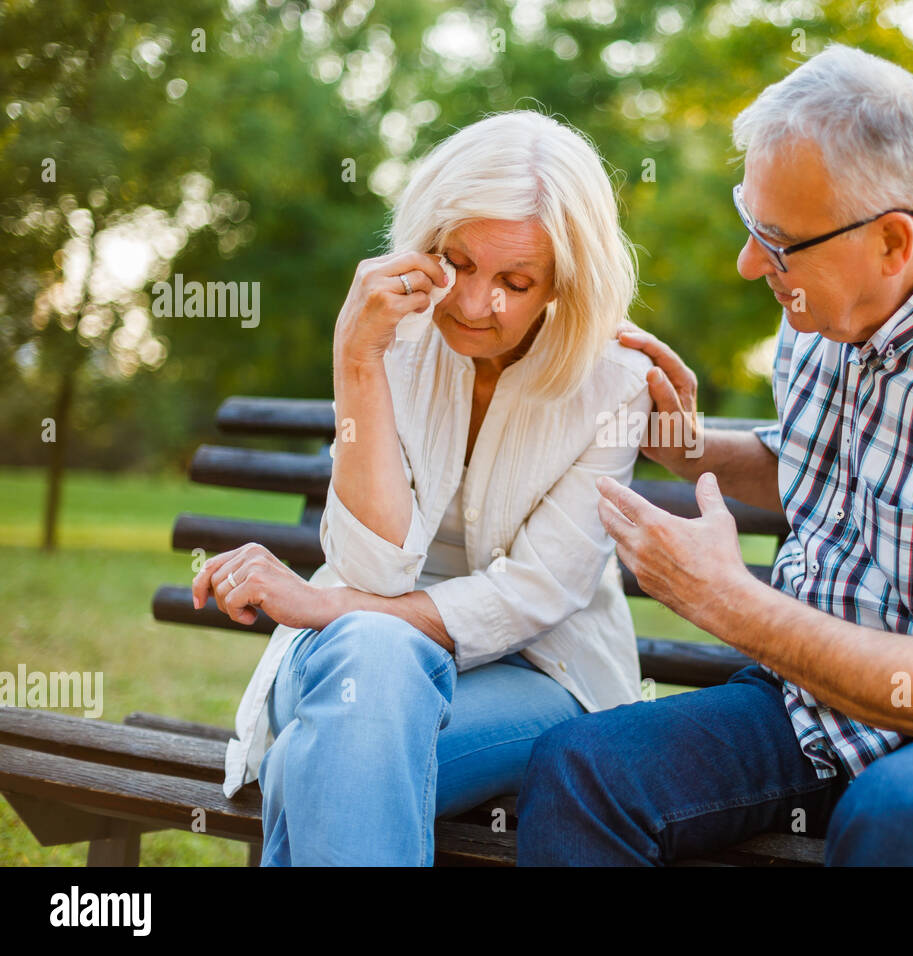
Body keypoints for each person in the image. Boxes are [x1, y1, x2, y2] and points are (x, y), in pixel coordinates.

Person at [517, 45, 913, 866]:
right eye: (752, 225)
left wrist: (732, 603)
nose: (752, 264)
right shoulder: (826, 306)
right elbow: (812, 475)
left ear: (893, 241)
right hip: (820, 699)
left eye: (778, 241)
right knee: (585, 771)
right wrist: (673, 440)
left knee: (906, 812)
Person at [192, 110, 653, 866]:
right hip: (349, 662)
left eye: (515, 281)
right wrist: (357, 359)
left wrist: (333, 605)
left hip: (539, 674)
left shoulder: (612, 384)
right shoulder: (392, 340)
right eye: (460, 263)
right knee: (371, 659)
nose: (474, 305)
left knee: (317, 755)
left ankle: (319, 742)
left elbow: (535, 593)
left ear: (565, 281)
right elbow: (374, 570)